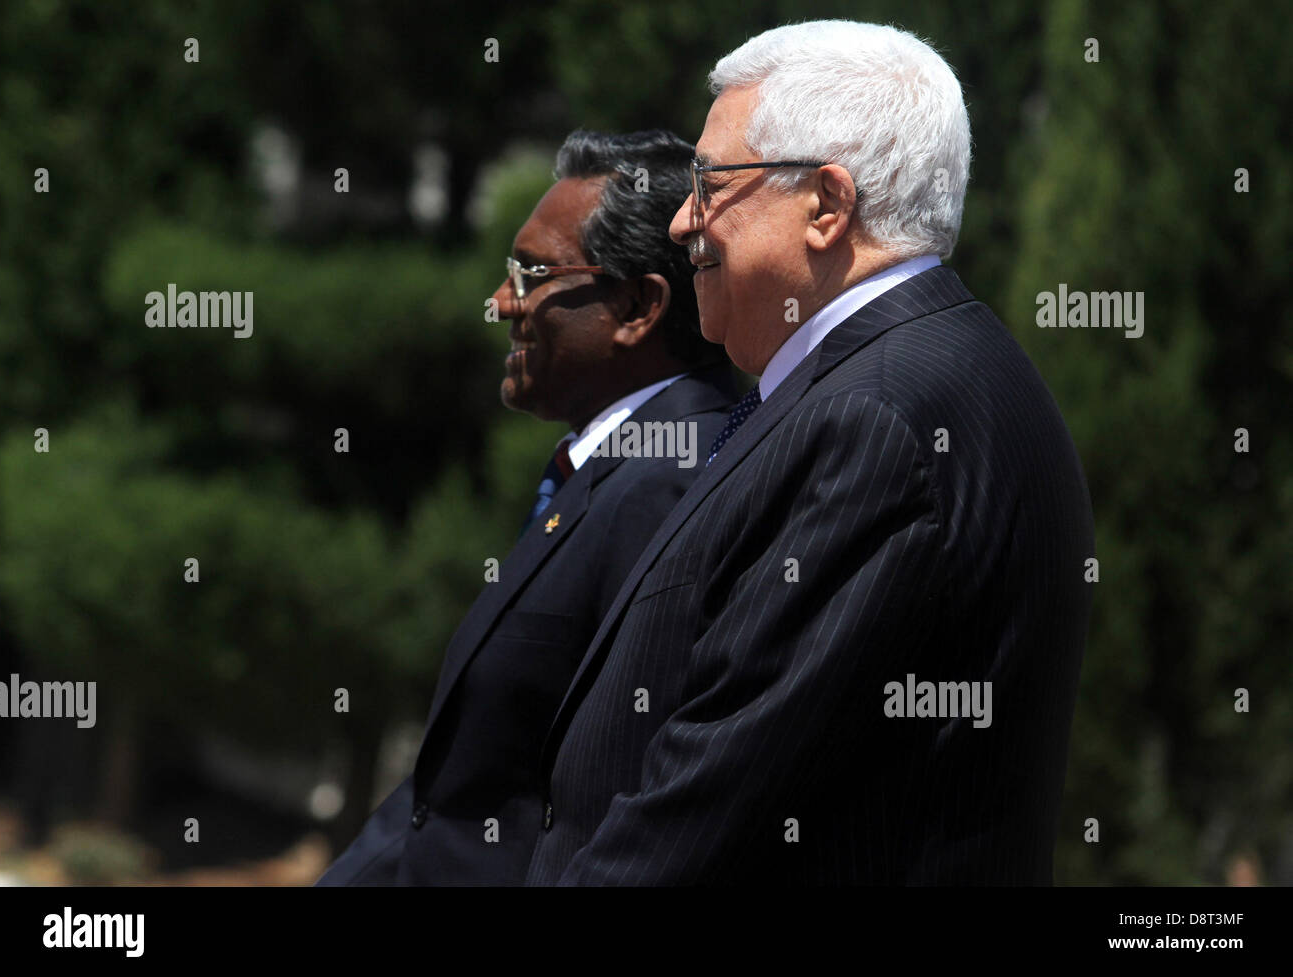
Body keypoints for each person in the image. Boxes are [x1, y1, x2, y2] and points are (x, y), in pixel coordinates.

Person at [526, 21, 1095, 884]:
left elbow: (714, 797)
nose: (684, 220)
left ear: (827, 206)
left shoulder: (880, 418)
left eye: (710, 183)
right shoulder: (893, 381)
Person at [317, 129, 734, 884]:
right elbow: (449, 795)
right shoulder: (610, 467)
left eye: (533, 273)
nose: (502, 300)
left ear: (639, 305)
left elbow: (627, 797)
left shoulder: (675, 477)